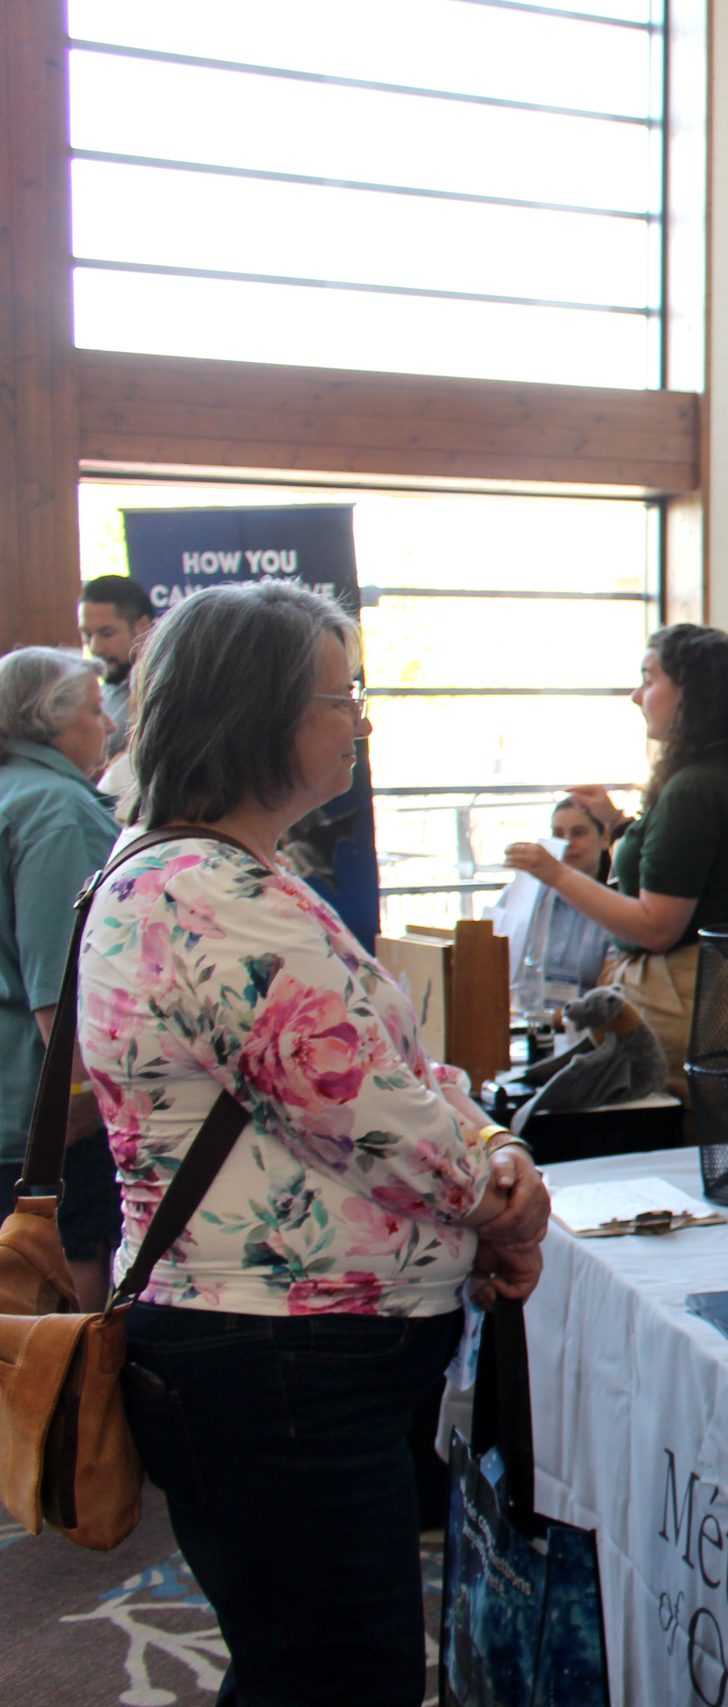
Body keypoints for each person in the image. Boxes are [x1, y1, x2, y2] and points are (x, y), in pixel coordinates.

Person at [78, 581, 552, 1706]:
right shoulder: (208, 893)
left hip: (283, 1352)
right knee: (337, 1674)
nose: (360, 721)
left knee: (310, 1664)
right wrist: (500, 1196)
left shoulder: (227, 873)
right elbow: (371, 1116)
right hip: (275, 1359)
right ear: (259, 715)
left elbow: (398, 1070)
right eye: (341, 697)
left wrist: (492, 1138)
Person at [504, 624, 728, 1096]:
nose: (637, 695)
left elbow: (656, 927)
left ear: (690, 691)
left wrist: (554, 873)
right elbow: (685, 871)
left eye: (648, 678)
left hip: (685, 1000)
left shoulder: (692, 790)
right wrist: (617, 825)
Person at [0, 647, 120, 1309]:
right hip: (41, 1118)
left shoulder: (12, 792)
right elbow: (61, 988)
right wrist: (87, 1095)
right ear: (48, 720)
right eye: (95, 710)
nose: (110, 724)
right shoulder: (56, 811)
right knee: (61, 1316)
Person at [501, 795, 620, 1012]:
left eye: (578, 833)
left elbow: (610, 995)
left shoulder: (617, 907)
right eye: (558, 834)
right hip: (519, 1022)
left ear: (604, 838)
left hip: (586, 1026)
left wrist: (553, 1019)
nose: (567, 842)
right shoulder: (522, 897)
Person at [76, 572, 155, 758]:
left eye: (107, 633)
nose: (95, 647)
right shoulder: (95, 693)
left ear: (143, 627)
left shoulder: (166, 695)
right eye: (87, 634)